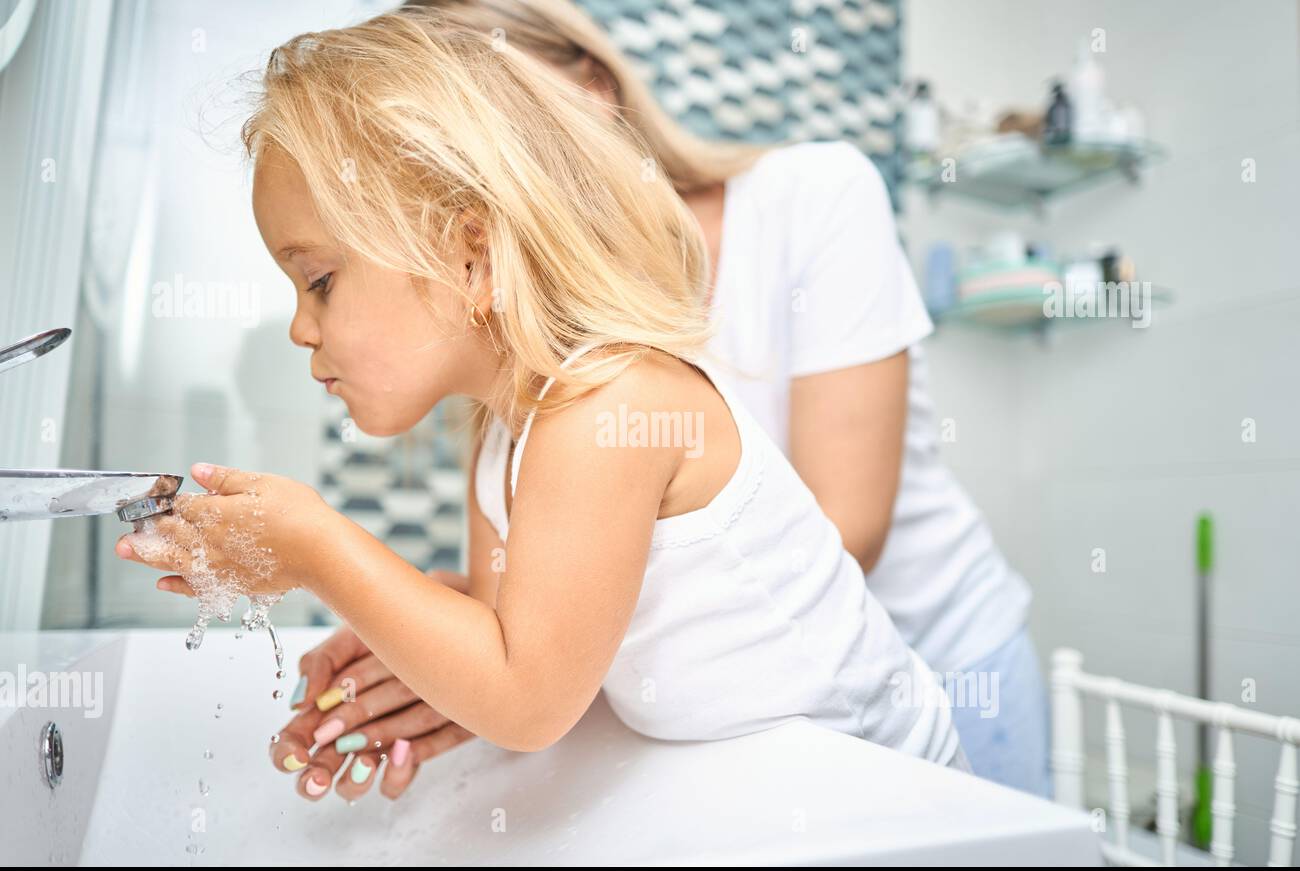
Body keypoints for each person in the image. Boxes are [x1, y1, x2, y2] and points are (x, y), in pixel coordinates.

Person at [116, 9, 969, 799]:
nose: (301, 328)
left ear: (470, 255)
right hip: (771, 788)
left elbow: (529, 702)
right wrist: (409, 643)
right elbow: (512, 632)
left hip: (884, 788)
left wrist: (322, 554)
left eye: (320, 281)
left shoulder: (608, 407)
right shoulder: (505, 434)